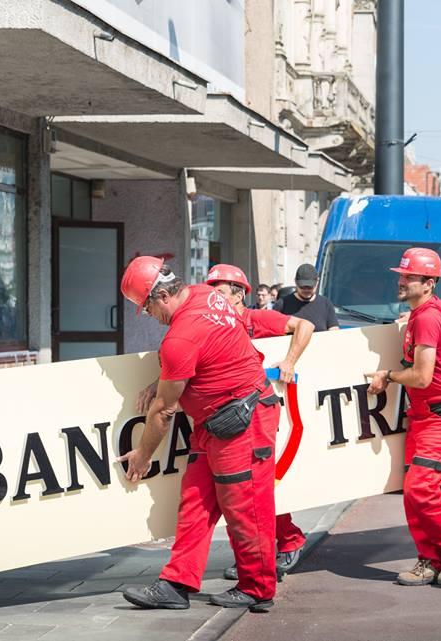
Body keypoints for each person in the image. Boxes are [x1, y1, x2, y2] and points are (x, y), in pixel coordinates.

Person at [118, 257, 281, 612]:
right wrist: (164, 378)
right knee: (195, 500)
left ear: (162, 296)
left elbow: (163, 410)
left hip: (242, 421)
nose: (150, 316)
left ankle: (257, 587)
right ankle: (177, 584)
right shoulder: (205, 295)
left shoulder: (180, 336)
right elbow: (215, 347)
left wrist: (142, 455)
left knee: (245, 506)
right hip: (217, 422)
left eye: (147, 308)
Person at [366, 247, 441, 588]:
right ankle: (430, 559)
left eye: (409, 277)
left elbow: (422, 377)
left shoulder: (427, 317)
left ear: (428, 283)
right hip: (424, 415)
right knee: (413, 493)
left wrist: (387, 375)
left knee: (420, 489)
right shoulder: (432, 310)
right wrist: (428, 316)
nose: (401, 281)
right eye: (401, 275)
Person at [203, 264, 315, 581]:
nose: (213, 299)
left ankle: (288, 541)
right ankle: (253, 556)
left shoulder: (256, 319)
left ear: (239, 295)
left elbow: (304, 326)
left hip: (261, 414)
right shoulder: (210, 325)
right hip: (229, 419)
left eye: (219, 292)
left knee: (259, 486)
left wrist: (290, 360)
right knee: (240, 494)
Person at [273, 264, 339, 332]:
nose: (306, 290)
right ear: (295, 282)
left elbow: (334, 331)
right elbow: (272, 330)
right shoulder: (282, 304)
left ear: (317, 282)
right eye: (302, 287)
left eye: (310, 287)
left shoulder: (326, 304)